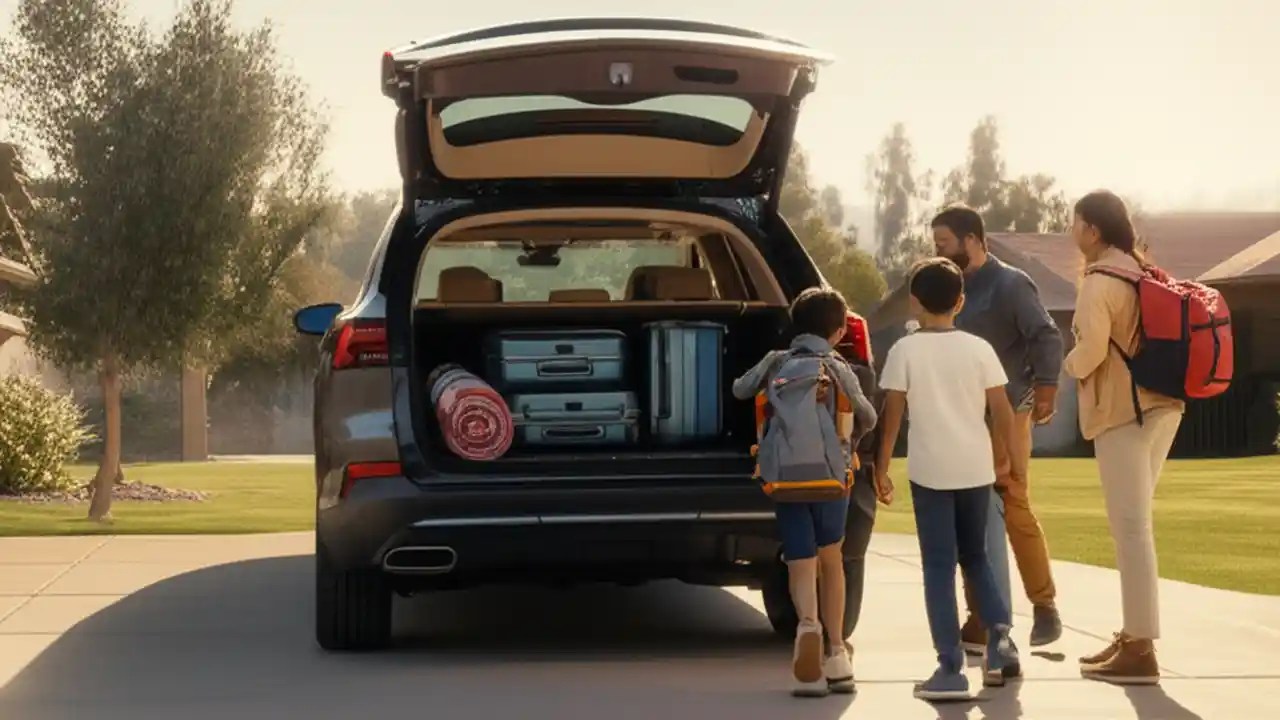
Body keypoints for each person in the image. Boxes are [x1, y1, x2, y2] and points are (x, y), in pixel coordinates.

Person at [875, 258, 1021, 700]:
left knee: (939, 566)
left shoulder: (905, 351)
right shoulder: (979, 349)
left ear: (915, 302)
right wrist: (1007, 459)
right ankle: (998, 642)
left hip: (930, 472)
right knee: (976, 558)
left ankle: (950, 668)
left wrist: (880, 468)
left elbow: (893, 417)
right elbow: (1002, 410)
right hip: (975, 470)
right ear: (961, 301)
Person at [931, 206, 1065, 649]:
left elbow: (1045, 335)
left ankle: (1044, 606)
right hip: (961, 419)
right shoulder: (949, 289)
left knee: (1012, 503)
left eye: (945, 243)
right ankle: (981, 619)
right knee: (968, 513)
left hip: (1006, 413)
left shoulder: (1009, 284)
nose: (940, 252)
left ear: (972, 240)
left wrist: (1045, 388)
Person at [732, 287, 877, 697]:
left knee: (800, 561)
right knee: (832, 560)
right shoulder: (836, 364)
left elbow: (741, 391)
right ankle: (835, 652)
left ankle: (806, 627)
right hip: (831, 477)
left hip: (786, 477)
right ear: (836, 331)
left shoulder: (778, 361)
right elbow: (866, 414)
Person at [1065, 191, 1184, 685]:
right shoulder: (1142, 271)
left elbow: (1091, 351)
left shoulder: (1099, 282)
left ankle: (1140, 648)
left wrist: (1065, 366)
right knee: (1138, 528)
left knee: (1131, 530)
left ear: (1092, 230)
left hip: (1122, 412)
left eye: (1074, 224)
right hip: (1164, 406)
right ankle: (1134, 636)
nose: (1071, 232)